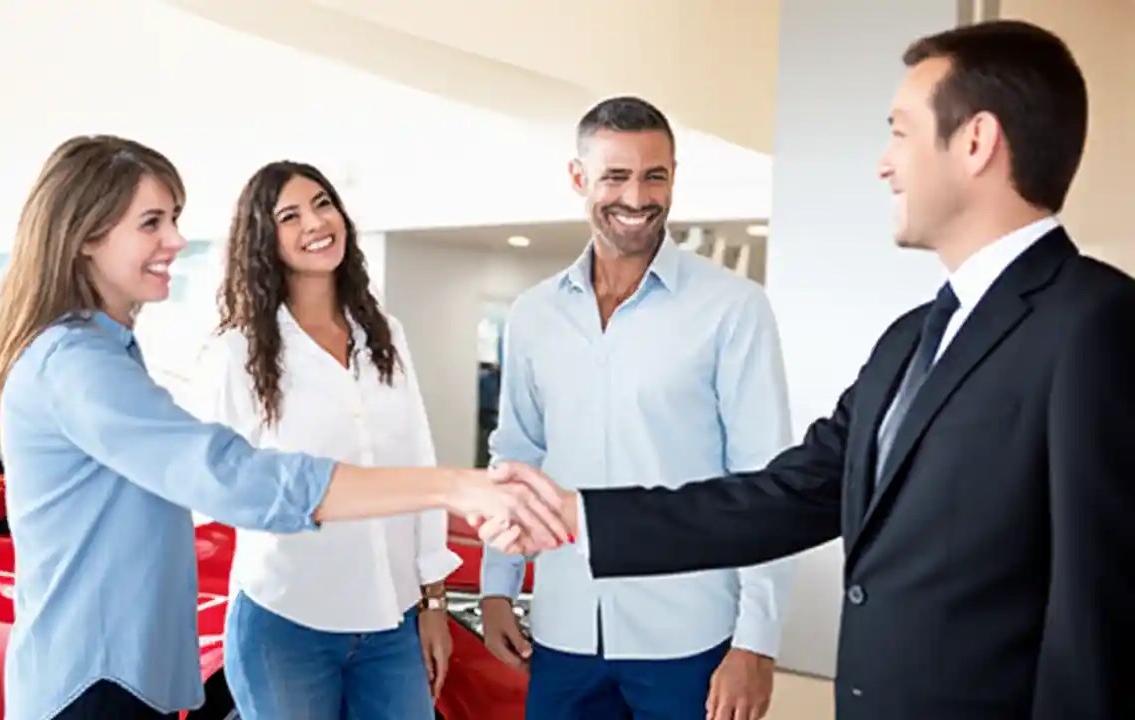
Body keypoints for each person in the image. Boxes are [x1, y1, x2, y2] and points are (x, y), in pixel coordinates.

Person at [481, 20, 1135, 720]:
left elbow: (1104, 619)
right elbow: (784, 495)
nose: (884, 163)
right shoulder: (910, 342)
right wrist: (579, 517)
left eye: (900, 132)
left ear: (975, 142)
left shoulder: (1097, 325)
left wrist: (751, 640)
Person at [0, 135, 568, 720]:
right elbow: (234, 478)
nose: (177, 240)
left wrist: (431, 584)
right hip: (98, 681)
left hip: (136, 675)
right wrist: (453, 487)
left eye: (174, 218)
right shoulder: (77, 365)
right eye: (152, 222)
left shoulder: (109, 353)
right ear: (87, 235)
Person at [478, 96, 796, 720]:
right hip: (566, 629)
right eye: (616, 176)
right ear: (579, 179)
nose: (637, 196)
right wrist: (498, 585)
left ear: (674, 176)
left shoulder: (733, 308)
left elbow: (766, 484)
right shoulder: (534, 315)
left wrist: (757, 641)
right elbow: (517, 455)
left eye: (655, 175)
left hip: (691, 635)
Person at [186, 160, 460, 719]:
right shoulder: (235, 353)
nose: (315, 222)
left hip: (394, 623)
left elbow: (419, 463)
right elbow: (209, 484)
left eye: (323, 204)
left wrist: (433, 599)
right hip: (288, 623)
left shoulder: (385, 334)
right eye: (290, 215)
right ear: (265, 239)